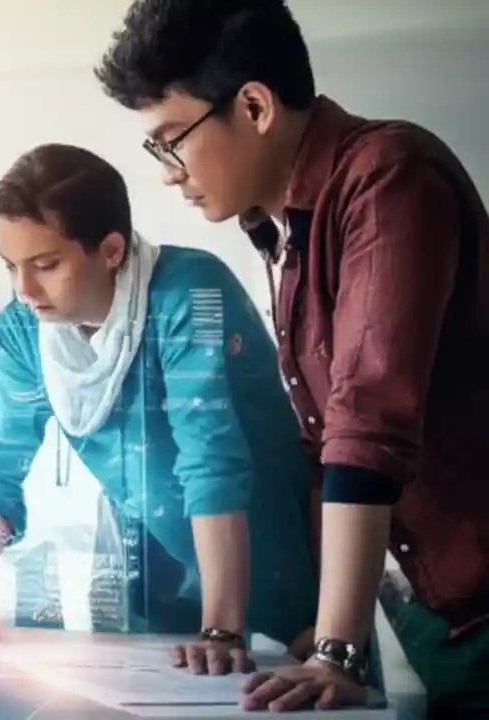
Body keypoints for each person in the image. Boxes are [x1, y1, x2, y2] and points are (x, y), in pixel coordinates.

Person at [96, 0, 489, 712]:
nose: (167, 172)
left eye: (169, 140)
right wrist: (330, 631)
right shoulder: (281, 232)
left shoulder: (386, 177)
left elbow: (366, 427)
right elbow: (323, 445)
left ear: (252, 106)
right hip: (428, 611)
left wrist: (338, 649)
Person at [0, 144, 318, 674]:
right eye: (11, 266)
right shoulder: (22, 332)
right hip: (155, 585)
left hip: (270, 573)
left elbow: (210, 459)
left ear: (112, 250)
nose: (23, 290)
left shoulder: (192, 292)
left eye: (46, 265)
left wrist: (223, 629)